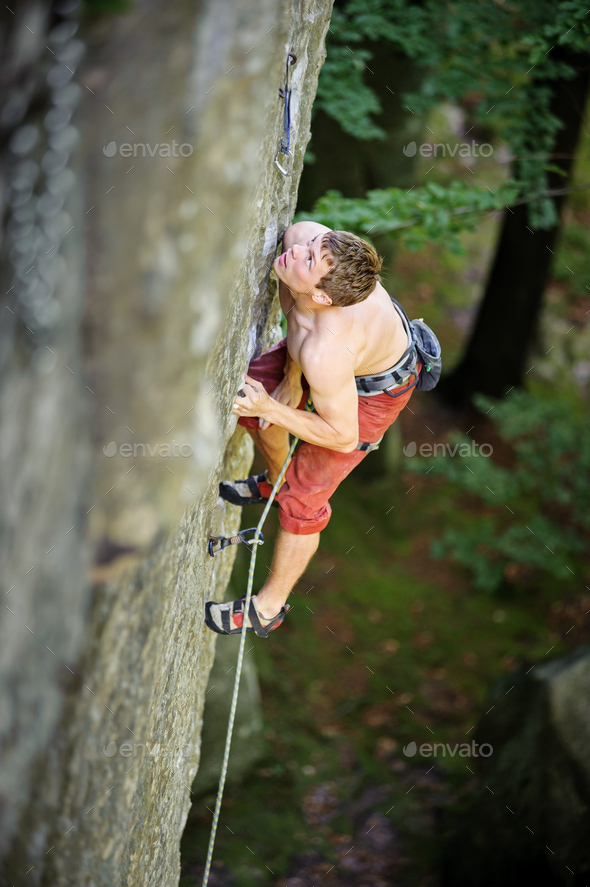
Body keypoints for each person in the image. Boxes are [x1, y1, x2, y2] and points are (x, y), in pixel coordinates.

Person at [205, 222, 421, 637]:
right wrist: (288, 378)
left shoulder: (327, 352)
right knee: (254, 405)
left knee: (303, 498)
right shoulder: (300, 242)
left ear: (322, 295)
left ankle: (267, 608)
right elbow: (298, 323)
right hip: (325, 361)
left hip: (375, 390)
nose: (300, 250)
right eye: (313, 245)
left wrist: (273, 404)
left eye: (310, 258)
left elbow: (342, 434)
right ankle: (272, 480)